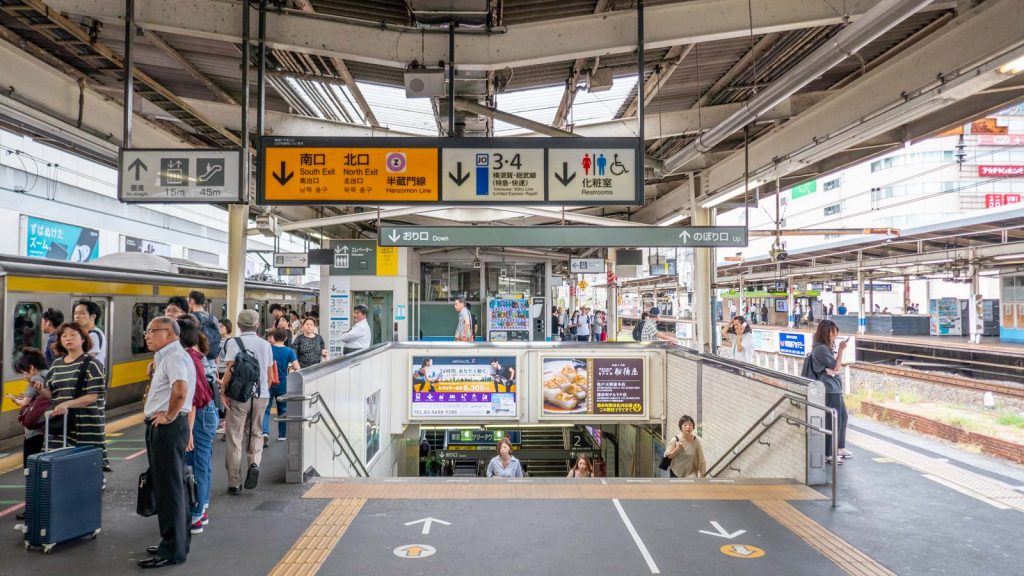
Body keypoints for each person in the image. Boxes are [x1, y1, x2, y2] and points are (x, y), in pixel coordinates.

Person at [138, 316, 195, 568]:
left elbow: (180, 391)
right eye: (146, 331)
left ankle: (171, 549)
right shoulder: (167, 357)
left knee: (168, 488)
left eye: (152, 331)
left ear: (170, 334)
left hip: (167, 428)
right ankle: (177, 542)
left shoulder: (173, 357)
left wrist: (170, 415)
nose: (146, 335)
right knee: (174, 486)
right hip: (168, 427)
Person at [221, 310, 274, 495]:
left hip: (238, 397)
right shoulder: (266, 344)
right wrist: (264, 392)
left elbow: (229, 370)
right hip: (261, 395)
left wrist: (222, 392)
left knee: (235, 438)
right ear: (257, 325)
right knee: (256, 433)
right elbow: (268, 374)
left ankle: (234, 482)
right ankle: (254, 464)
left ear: (238, 325)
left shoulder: (233, 343)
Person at [177, 317, 217, 536]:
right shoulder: (195, 356)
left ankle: (196, 514)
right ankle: (202, 508)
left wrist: (188, 431)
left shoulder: (188, 359)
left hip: (199, 416)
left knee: (196, 465)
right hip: (205, 413)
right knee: (203, 464)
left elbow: (192, 399)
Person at [804, 319, 850, 464]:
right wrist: (841, 350)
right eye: (832, 333)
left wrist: (835, 368)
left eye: (836, 333)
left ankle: (840, 447)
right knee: (833, 421)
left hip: (834, 387)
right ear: (825, 332)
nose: (834, 336)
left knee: (842, 417)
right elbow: (836, 368)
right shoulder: (821, 349)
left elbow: (834, 369)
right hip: (829, 389)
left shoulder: (823, 347)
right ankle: (829, 453)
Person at [264, 328, 298, 444]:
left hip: (268, 383)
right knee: (282, 409)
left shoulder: (268, 349)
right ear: (286, 338)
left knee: (266, 410)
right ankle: (282, 435)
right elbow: (298, 368)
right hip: (283, 384)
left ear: (273, 337)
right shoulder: (289, 351)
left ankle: (265, 432)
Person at [187, 290, 221, 362]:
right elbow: (218, 336)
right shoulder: (213, 318)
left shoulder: (190, 317)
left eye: (188, 301)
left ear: (192, 301)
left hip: (196, 358)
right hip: (211, 358)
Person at [73, 300, 106, 370]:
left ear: (93, 317)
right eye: (75, 313)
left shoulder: (94, 335)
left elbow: (87, 359)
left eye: (82, 313)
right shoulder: (85, 334)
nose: (77, 316)